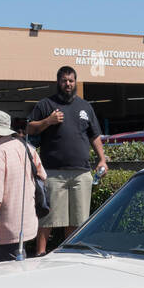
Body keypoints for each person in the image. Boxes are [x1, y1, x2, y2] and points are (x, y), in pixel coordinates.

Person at [27, 66, 108, 256]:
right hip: (54, 173)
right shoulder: (46, 105)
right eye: (64, 81)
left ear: (75, 82)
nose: (68, 84)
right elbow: (29, 128)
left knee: (77, 219)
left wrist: (102, 159)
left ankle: (70, 254)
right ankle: (40, 254)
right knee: (48, 218)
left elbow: (94, 136)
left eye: (71, 80)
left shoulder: (85, 107)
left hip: (81, 173)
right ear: (58, 82)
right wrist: (48, 121)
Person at [0, 110, 45, 262]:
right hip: (26, 220)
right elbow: (42, 176)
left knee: (7, 272)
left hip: (5, 226)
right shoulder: (26, 147)